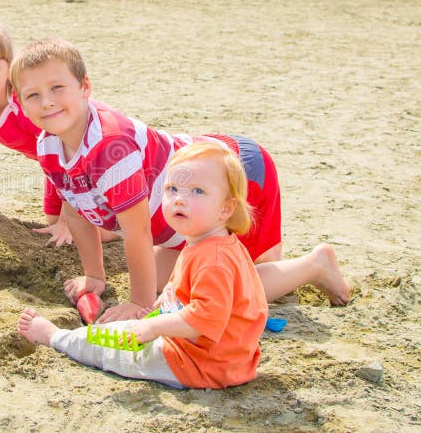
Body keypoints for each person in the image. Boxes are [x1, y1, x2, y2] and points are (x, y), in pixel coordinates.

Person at [9, 38, 350, 322]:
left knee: (223, 293)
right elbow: (75, 211)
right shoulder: (48, 144)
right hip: (185, 205)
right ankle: (264, 260)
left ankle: (316, 264)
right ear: (21, 103)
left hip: (233, 174)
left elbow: (137, 231)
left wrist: (139, 306)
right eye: (33, 95)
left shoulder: (111, 147)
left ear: (85, 88)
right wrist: (95, 276)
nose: (47, 102)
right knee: (166, 283)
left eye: (57, 87)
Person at [18, 141, 268, 389]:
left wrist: (153, 325)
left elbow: (205, 320)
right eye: (172, 188)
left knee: (108, 348)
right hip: (226, 359)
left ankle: (54, 337)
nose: (179, 199)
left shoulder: (214, 260)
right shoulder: (211, 243)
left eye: (198, 191)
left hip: (197, 363)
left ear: (226, 208)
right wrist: (167, 300)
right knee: (125, 330)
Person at [0, 22, 117, 246]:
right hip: (57, 170)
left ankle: (129, 222)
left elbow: (71, 154)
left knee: (88, 231)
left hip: (95, 160)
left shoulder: (27, 104)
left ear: (9, 70)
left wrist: (68, 223)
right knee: (52, 221)